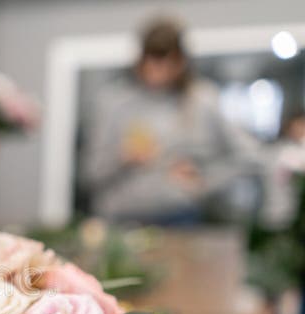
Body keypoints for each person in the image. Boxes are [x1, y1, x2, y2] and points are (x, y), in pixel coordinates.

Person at [82, 17, 261, 224]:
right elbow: (90, 174)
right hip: (121, 220)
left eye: (166, 64)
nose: (157, 73)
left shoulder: (202, 100)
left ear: (180, 63)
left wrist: (204, 181)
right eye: (152, 63)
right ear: (141, 60)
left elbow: (248, 156)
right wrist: (125, 158)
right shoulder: (113, 102)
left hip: (181, 220)